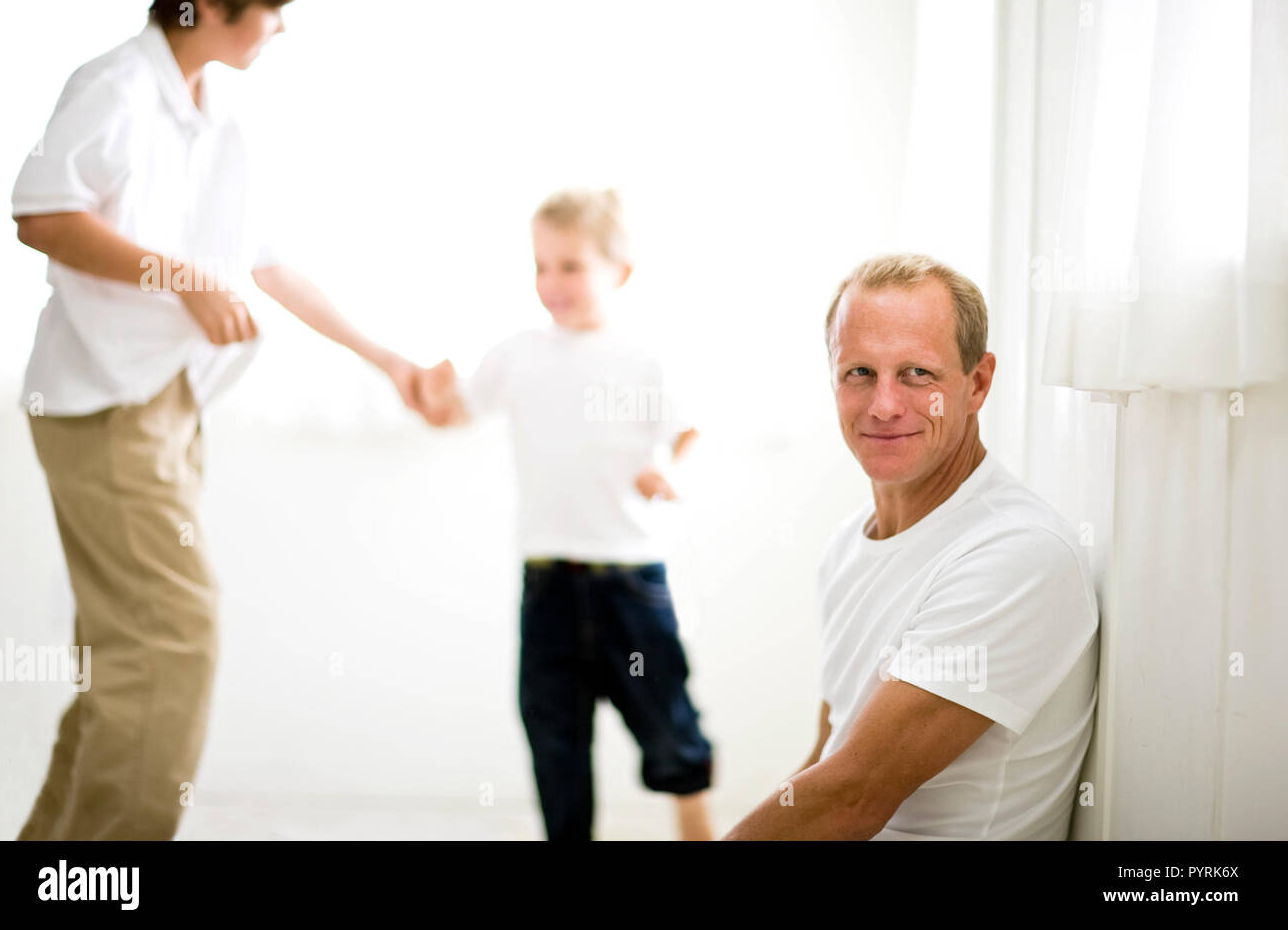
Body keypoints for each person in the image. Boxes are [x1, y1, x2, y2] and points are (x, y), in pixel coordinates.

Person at [11, 0, 431, 840]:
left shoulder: (221, 115)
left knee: (127, 663)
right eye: (272, 6)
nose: (280, 27)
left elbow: (272, 266)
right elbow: (41, 214)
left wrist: (387, 360)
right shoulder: (116, 87)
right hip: (104, 405)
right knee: (174, 642)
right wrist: (183, 276)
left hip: (168, 404)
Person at [724, 253, 1099, 840]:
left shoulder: (1018, 553)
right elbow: (827, 762)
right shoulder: (848, 546)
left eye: (918, 374)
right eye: (860, 373)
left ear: (976, 384)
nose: (884, 405)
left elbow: (854, 793)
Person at [417, 188, 715, 840]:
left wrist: (669, 469)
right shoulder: (517, 353)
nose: (552, 283)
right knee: (554, 736)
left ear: (620, 271)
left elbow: (687, 432)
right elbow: (452, 412)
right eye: (540, 266)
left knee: (669, 727)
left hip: (630, 581)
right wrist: (430, 391)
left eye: (571, 266)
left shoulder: (643, 358)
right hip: (548, 582)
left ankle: (698, 832)